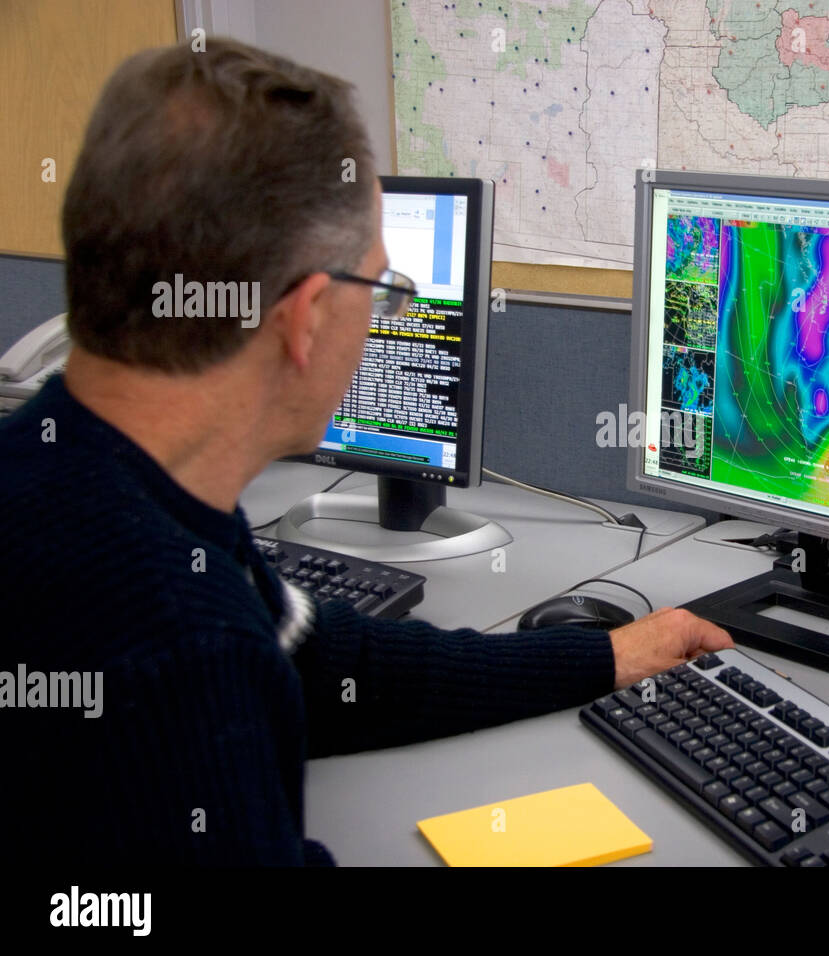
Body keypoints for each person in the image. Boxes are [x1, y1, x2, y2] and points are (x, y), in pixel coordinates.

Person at [0, 37, 731, 865]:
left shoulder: (85, 477)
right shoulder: (172, 639)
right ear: (307, 318)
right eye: (384, 289)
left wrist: (603, 654)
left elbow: (321, 667)